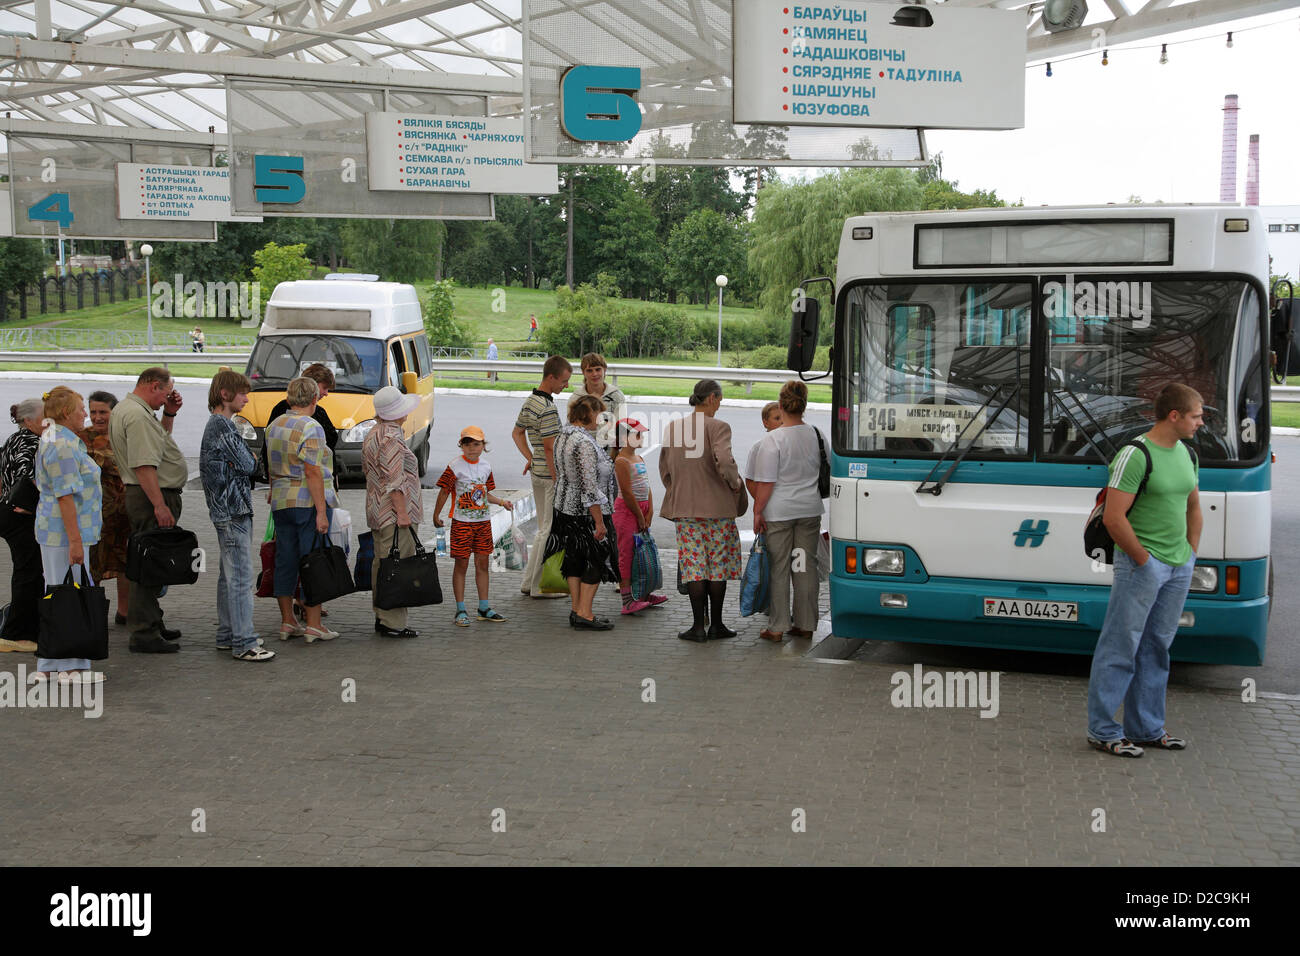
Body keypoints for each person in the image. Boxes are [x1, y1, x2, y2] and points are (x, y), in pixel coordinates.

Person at [1086, 383, 1204, 758]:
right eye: (1196, 416)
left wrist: (1189, 555)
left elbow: (1193, 507)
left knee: (1156, 647)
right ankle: (1103, 730)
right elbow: (1115, 518)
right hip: (1143, 565)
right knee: (1120, 645)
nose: (1200, 423)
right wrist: (1143, 560)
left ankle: (1147, 728)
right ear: (1174, 416)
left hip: (1177, 564)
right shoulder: (1134, 455)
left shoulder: (1188, 454)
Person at [659, 379, 747, 643]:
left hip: (685, 510)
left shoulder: (674, 427)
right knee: (717, 567)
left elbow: (665, 469)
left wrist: (678, 489)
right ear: (711, 398)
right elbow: (724, 461)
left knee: (694, 567)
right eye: (719, 400)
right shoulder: (719, 427)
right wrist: (735, 483)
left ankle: (697, 626)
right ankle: (717, 625)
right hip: (717, 510)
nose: (719, 405)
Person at [110, 366, 188, 654]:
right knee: (149, 565)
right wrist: (159, 505)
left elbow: (159, 446)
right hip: (150, 496)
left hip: (148, 494)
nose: (167, 397)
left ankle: (151, 621)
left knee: (152, 563)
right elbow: (144, 465)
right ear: (154, 386)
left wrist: (168, 414)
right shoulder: (137, 415)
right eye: (166, 393)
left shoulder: (134, 410)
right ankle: (144, 631)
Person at [33, 387, 104, 684]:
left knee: (56, 593)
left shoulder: (53, 437)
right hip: (65, 533)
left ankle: (49, 664)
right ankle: (71, 667)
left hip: (55, 531)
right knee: (71, 596)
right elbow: (66, 496)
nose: (85, 414)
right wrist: (75, 541)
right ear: (65, 413)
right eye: (80, 409)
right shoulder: (62, 444)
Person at [201, 370, 273, 661]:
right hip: (233, 512)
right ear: (225, 394)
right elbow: (248, 464)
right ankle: (244, 642)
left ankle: (227, 633)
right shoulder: (222, 426)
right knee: (241, 578)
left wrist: (249, 460)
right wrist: (251, 459)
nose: (246, 398)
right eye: (242, 393)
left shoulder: (222, 425)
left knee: (227, 576)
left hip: (228, 511)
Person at [749, 382, 825, 643]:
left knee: (780, 568)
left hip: (779, 514)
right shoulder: (816, 434)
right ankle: (805, 624)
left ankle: (778, 626)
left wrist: (758, 512)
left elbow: (766, 482)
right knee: (804, 566)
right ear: (804, 405)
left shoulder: (773, 439)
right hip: (810, 511)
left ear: (781, 406)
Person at [267, 376, 338, 644]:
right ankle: (313, 624)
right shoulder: (312, 427)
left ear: (288, 398)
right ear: (314, 399)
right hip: (306, 500)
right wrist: (321, 511)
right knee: (313, 561)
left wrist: (274, 493)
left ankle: (287, 621)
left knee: (285, 560)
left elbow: (271, 465)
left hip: (281, 501)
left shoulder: (274, 425)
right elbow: (313, 471)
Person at [545, 395, 619, 630]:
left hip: (564, 508)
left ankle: (577, 610)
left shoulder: (563, 435)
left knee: (574, 560)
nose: (602, 421)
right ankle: (585, 612)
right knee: (597, 559)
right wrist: (599, 522)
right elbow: (589, 486)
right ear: (590, 415)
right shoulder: (584, 443)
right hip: (585, 513)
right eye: (600, 415)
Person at [433, 426, 513, 627]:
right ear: (461, 445)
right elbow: (444, 492)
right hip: (462, 523)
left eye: (476, 444)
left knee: (483, 565)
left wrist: (502, 502)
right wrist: (436, 515)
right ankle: (460, 609)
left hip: (483, 523)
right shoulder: (454, 466)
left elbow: (485, 493)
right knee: (461, 565)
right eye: (467, 444)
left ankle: (484, 608)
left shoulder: (486, 466)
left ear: (483, 446)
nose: (471, 448)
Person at [362, 385, 424, 639]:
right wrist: (403, 514)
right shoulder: (391, 437)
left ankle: (383, 614)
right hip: (393, 514)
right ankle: (393, 621)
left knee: (383, 564)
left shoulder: (374, 432)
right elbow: (395, 481)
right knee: (397, 566)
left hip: (377, 509)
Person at [513, 355, 572, 599]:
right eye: (564, 381)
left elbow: (517, 433)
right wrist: (557, 478)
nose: (565, 386)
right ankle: (539, 587)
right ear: (551, 377)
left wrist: (529, 457)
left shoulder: (530, 401)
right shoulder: (547, 408)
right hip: (549, 475)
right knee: (547, 529)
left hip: (537, 472)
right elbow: (550, 448)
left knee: (541, 529)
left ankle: (529, 583)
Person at [77, 391, 130, 626]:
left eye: (103, 412)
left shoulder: (124, 434)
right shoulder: (79, 437)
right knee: (93, 565)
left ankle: (124, 612)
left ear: (114, 412)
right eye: (93, 412)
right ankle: (92, 613)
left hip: (125, 513)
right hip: (93, 515)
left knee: (125, 564)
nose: (97, 417)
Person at [0, 399, 47, 653]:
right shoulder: (31, 441)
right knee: (29, 573)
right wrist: (26, 504)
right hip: (20, 515)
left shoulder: (14, 439)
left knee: (27, 571)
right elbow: (25, 473)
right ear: (28, 421)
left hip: (7, 511)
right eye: (44, 416)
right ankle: (18, 634)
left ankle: (22, 628)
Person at [612, 417, 667, 614]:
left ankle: (643, 594)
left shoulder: (639, 458)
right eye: (637, 434)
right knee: (627, 555)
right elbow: (627, 492)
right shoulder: (621, 460)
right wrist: (640, 516)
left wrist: (650, 511)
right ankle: (627, 601)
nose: (642, 436)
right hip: (628, 513)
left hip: (641, 512)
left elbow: (646, 486)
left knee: (641, 553)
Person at [570, 352, 628, 450]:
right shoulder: (576, 397)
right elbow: (572, 429)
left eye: (598, 369)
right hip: (583, 453)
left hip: (610, 455)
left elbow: (621, 429)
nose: (594, 374)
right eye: (589, 370)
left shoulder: (616, 396)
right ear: (583, 372)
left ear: (604, 369)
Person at [743, 402, 783, 500]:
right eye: (777, 418)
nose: (782, 422)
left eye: (784, 418)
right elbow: (750, 480)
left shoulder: (791, 444)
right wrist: (762, 502)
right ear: (765, 423)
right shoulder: (758, 447)